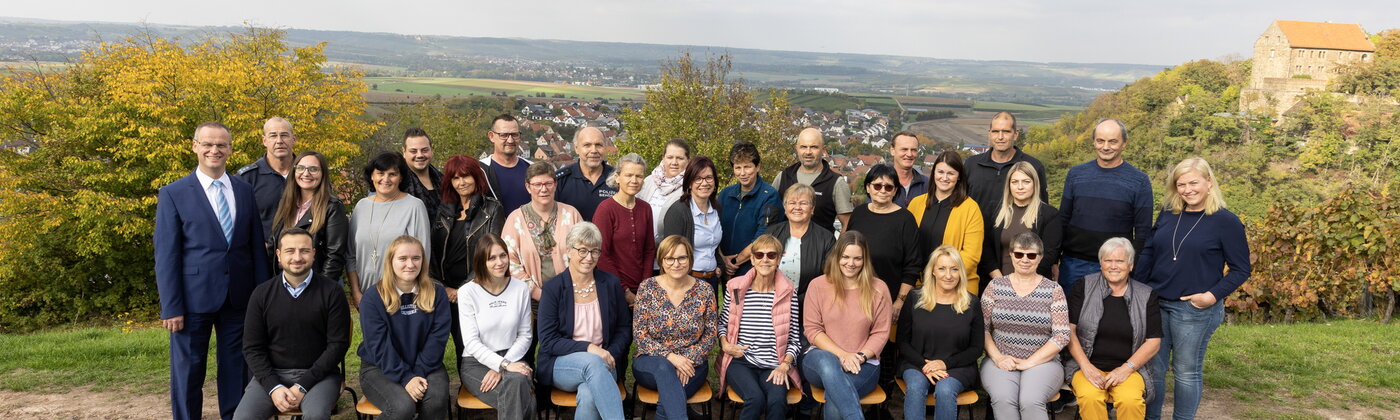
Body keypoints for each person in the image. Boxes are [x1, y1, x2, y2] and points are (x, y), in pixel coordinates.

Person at [156, 122, 271, 420]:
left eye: (221, 145)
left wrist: (262, 300)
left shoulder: (244, 190)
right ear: (194, 146)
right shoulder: (173, 193)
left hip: (240, 299)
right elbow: (166, 255)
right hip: (191, 301)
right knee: (188, 371)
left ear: (230, 149)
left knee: (236, 368)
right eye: (207, 144)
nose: (214, 150)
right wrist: (171, 306)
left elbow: (256, 249)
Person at [1135, 157, 1250, 420]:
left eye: (1194, 183)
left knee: (1186, 370)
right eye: (1181, 184)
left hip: (1194, 308)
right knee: (1154, 368)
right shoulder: (1168, 213)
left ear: (1209, 183)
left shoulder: (1226, 221)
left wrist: (1210, 296)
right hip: (1157, 303)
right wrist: (1140, 290)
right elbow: (1150, 251)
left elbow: (1241, 269)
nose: (1188, 190)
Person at [234, 228, 351, 420]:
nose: (297, 257)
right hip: (272, 375)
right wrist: (274, 387)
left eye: (304, 250)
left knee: (316, 416)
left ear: (313, 254)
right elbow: (252, 348)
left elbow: (337, 346)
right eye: (290, 251)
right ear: (279, 255)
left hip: (319, 376)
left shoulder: (332, 292)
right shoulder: (261, 294)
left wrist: (303, 385)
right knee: (243, 418)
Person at [536, 223, 632, 420]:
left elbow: (624, 328)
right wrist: (591, 348)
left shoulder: (611, 284)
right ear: (569, 251)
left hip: (605, 363)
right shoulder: (553, 288)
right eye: (582, 250)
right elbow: (548, 341)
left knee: (588, 395)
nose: (589, 258)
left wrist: (609, 354)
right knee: (592, 363)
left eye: (594, 251)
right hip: (561, 364)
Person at [845, 163, 922, 404]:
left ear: (896, 190)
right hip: (856, 296)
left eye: (889, 186)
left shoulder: (905, 219)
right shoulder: (859, 215)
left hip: (889, 299)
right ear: (868, 187)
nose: (882, 190)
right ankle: (854, 395)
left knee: (885, 350)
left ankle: (881, 404)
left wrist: (899, 301)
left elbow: (913, 265)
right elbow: (845, 254)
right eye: (877, 185)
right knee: (857, 343)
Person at [357, 235, 453, 420]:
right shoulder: (372, 297)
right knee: (402, 407)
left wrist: (416, 374)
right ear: (391, 261)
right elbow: (379, 346)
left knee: (436, 400)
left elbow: (438, 339)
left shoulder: (437, 292)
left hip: (427, 364)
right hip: (379, 367)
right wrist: (405, 378)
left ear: (423, 261)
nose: (410, 264)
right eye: (402, 258)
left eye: (416, 258)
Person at [1066, 238, 1161, 420]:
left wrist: (1126, 369)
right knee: (1090, 397)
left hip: (1129, 370)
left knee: (1130, 400)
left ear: (1130, 265)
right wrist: (1086, 366)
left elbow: (1154, 342)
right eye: (1108, 260)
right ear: (1101, 264)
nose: (1113, 266)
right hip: (1087, 367)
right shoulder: (1083, 286)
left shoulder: (1146, 295)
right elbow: (1069, 331)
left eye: (1120, 261)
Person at [801, 231, 893, 420]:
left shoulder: (878, 288)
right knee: (828, 363)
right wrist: (843, 355)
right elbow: (812, 330)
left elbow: (881, 333)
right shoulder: (818, 285)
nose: (851, 263)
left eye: (857, 258)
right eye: (845, 257)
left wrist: (859, 357)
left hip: (864, 364)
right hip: (819, 361)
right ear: (836, 256)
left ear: (865, 260)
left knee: (835, 397)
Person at [981, 232, 1070, 420]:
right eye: (1019, 254)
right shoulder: (995, 286)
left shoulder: (1054, 290)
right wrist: (998, 358)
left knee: (1030, 400)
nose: (1025, 260)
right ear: (1011, 255)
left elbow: (1061, 335)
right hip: (1001, 359)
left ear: (1040, 257)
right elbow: (982, 329)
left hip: (1044, 362)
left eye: (1031, 255)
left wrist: (1030, 362)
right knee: (1004, 398)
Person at [1059, 118, 1153, 292]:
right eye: (1100, 140)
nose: (1106, 146)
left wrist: (1133, 269)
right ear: (1094, 142)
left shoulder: (1139, 181)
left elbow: (1143, 232)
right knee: (1071, 317)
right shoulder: (1076, 174)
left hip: (1115, 267)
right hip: (1073, 264)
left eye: (1113, 141)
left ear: (1124, 143)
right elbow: (1063, 219)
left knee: (1108, 318)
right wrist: (1055, 261)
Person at [632, 235, 719, 420]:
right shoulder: (647, 288)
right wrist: (672, 358)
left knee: (669, 396)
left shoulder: (704, 290)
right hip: (650, 362)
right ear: (661, 261)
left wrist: (685, 359)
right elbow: (640, 335)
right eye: (669, 258)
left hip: (691, 365)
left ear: (690, 259)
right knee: (664, 369)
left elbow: (711, 334)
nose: (676, 263)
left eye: (682, 258)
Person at [431, 154, 506, 362]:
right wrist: (441, 287)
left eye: (466, 176)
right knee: (434, 345)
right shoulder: (444, 210)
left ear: (476, 177)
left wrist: (463, 290)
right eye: (455, 178)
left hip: (476, 290)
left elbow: (492, 254)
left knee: (469, 346)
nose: (461, 182)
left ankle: (472, 388)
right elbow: (432, 253)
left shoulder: (492, 209)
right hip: (443, 292)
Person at [719, 234, 802, 420]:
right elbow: (722, 323)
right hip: (741, 361)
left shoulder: (789, 292)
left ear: (779, 259)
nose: (765, 259)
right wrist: (725, 345)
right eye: (759, 255)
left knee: (777, 401)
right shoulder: (735, 288)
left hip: (774, 363)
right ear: (752, 258)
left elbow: (795, 339)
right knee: (755, 399)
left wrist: (784, 366)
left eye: (771, 255)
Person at [897, 245, 983, 420]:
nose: (948, 275)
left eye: (954, 269)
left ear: (961, 272)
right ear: (933, 271)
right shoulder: (915, 298)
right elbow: (902, 342)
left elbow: (976, 348)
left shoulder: (971, 303)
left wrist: (945, 364)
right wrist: (924, 365)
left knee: (945, 390)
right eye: (942, 268)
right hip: (916, 363)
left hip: (958, 366)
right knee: (915, 387)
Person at [457, 233, 536, 419]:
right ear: (481, 261)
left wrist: (505, 364)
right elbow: (471, 342)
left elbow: (525, 335)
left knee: (516, 384)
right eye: (491, 258)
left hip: (513, 356)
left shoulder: (521, 288)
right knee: (526, 398)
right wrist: (502, 365)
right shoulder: (467, 292)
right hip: (476, 363)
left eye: (503, 255)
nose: (499, 262)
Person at [348, 152, 432, 306]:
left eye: (392, 174)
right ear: (372, 176)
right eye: (380, 173)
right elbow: (351, 255)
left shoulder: (414, 206)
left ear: (401, 178)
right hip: (366, 296)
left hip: (403, 297)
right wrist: (356, 292)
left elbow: (423, 255)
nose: (385, 179)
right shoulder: (361, 206)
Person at [502, 161, 583, 300]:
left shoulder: (571, 214)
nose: (543, 189)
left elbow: (584, 253)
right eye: (537, 185)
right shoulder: (515, 220)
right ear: (528, 187)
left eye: (548, 184)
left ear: (555, 185)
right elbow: (509, 262)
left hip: (571, 297)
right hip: (530, 301)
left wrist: (571, 287)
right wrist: (537, 294)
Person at [907, 151, 984, 294]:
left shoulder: (970, 208)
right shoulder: (916, 204)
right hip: (918, 286)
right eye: (940, 172)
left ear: (959, 176)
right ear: (933, 173)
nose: (944, 178)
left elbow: (971, 256)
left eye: (951, 173)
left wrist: (942, 280)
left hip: (956, 289)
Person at [267, 151, 350, 283]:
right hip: (284, 283)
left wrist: (321, 291)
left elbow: (335, 256)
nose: (306, 173)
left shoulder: (332, 207)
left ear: (323, 174)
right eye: (300, 168)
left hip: (317, 285)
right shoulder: (286, 204)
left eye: (313, 169)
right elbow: (273, 246)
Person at [981, 161, 1061, 282]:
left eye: (1026, 181)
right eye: (1015, 182)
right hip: (997, 283)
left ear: (1035, 184)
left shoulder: (1049, 214)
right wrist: (1000, 280)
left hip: (1034, 285)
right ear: (1009, 185)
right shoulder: (994, 211)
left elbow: (1049, 255)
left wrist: (1020, 282)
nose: (1020, 187)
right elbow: (985, 249)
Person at [964, 112, 1048, 225]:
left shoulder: (1033, 166)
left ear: (1015, 134)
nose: (1000, 137)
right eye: (995, 131)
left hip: (1015, 238)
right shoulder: (972, 164)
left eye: (1006, 131)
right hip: (976, 237)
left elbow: (1042, 208)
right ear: (989, 134)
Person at [595, 153, 656, 300]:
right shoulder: (606, 209)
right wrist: (625, 291)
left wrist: (645, 286)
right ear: (617, 177)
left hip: (642, 290)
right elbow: (602, 255)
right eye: (628, 175)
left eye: (639, 176)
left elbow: (649, 250)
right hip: (613, 288)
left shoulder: (645, 208)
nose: (634, 180)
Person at [660, 156, 726, 293]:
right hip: (686, 283)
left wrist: (719, 265)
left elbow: (714, 245)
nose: (704, 183)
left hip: (711, 281)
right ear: (689, 183)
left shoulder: (717, 209)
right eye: (698, 179)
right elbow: (669, 255)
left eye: (709, 177)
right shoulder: (678, 212)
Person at [773, 127, 853, 233]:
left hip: (822, 248)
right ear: (797, 148)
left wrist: (837, 249)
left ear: (823, 149)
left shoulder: (836, 183)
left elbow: (847, 224)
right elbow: (771, 215)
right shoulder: (783, 177)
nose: (808, 152)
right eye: (803, 147)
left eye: (814, 147)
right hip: (784, 247)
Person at [718, 142, 780, 277]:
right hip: (725, 268)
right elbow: (712, 229)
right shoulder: (725, 194)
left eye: (747, 167)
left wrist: (735, 262)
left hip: (754, 270)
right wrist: (722, 259)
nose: (742, 173)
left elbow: (763, 236)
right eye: (737, 167)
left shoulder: (769, 196)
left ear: (758, 166)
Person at [766, 183, 835, 295]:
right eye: (792, 203)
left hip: (809, 302)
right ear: (785, 207)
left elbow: (830, 278)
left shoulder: (826, 239)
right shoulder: (771, 233)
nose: (797, 207)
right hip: (772, 301)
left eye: (803, 203)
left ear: (812, 208)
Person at [238, 117, 297, 238]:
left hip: (305, 252)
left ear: (293, 139)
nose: (279, 141)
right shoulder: (247, 178)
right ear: (264, 141)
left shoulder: (309, 173)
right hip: (263, 253)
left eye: (284, 135)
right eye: (273, 136)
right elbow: (238, 221)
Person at [554, 127, 617, 222]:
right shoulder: (560, 180)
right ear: (576, 148)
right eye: (587, 145)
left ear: (605, 147)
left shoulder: (617, 178)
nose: (594, 150)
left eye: (599, 145)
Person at [639, 138, 690, 245]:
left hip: (670, 250)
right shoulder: (649, 181)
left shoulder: (690, 188)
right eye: (670, 157)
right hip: (641, 248)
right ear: (663, 158)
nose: (674, 162)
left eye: (680, 158)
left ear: (688, 161)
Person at [481, 114, 534, 213]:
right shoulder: (480, 171)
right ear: (491, 136)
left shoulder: (532, 169)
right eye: (504, 135)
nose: (510, 140)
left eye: (514, 135)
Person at [401, 128, 443, 221]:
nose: (419, 155)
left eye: (424, 150)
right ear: (404, 152)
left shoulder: (444, 181)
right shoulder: (397, 184)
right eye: (413, 151)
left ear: (431, 151)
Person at [887, 132, 929, 207]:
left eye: (913, 150)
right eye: (904, 149)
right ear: (892, 150)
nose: (909, 154)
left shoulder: (927, 185)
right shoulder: (880, 184)